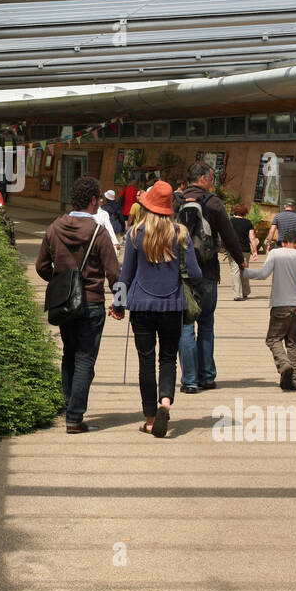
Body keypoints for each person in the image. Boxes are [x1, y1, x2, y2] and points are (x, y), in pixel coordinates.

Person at [36, 175, 121, 434]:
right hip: (92, 303)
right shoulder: (98, 231)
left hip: (65, 305)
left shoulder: (54, 228)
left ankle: (69, 406)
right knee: (85, 360)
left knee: (69, 356)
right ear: (94, 200)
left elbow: (41, 266)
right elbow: (114, 273)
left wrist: (62, 282)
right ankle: (74, 417)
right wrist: (121, 303)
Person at [118, 181, 203, 437]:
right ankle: (165, 401)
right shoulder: (180, 233)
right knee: (167, 358)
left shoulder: (135, 233)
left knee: (146, 361)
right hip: (172, 305)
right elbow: (196, 273)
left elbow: (125, 275)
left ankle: (151, 419)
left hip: (141, 306)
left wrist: (118, 303)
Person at [176, 161, 246, 392]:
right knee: (205, 323)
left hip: (181, 273)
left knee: (185, 326)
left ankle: (189, 381)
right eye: (211, 179)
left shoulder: (175, 201)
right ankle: (206, 376)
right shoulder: (213, 203)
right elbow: (229, 234)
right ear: (204, 179)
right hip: (207, 271)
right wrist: (239, 259)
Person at [246, 233, 296, 389]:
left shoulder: (275, 253)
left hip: (279, 305)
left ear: (283, 243)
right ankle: (293, 380)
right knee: (293, 343)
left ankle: (284, 365)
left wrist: (246, 272)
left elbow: (263, 274)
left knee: (273, 339)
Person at [229, 203, 259, 300]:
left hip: (233, 249)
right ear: (245, 213)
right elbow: (252, 237)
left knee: (235, 270)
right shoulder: (248, 222)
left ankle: (237, 294)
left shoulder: (230, 221)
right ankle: (245, 291)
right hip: (245, 249)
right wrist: (255, 251)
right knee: (244, 270)